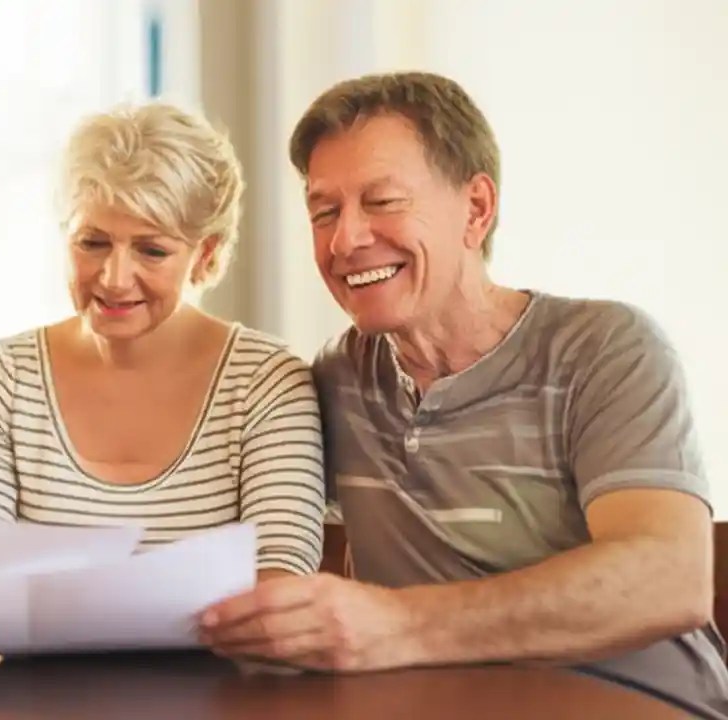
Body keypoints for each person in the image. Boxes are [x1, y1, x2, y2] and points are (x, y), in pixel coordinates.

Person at [199, 71, 728, 718]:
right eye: (324, 211)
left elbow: (669, 580)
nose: (345, 240)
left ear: (476, 209)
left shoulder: (605, 348)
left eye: (382, 201)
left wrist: (394, 623)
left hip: (638, 703)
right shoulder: (335, 379)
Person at [0, 102, 325, 578]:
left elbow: (281, 578)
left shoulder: (267, 382)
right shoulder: (7, 376)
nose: (115, 278)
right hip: (40, 656)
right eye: (93, 242)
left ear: (205, 255)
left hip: (218, 657)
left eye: (151, 250)